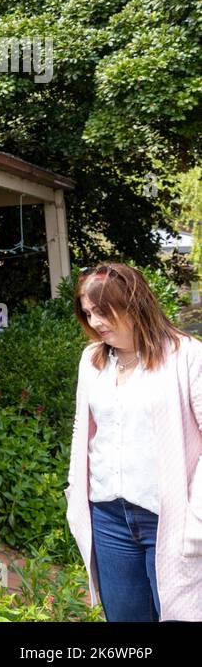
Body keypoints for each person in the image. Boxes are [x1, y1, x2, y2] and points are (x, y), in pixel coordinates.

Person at [66, 263, 202, 622]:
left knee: (183, 615)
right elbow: (84, 428)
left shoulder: (186, 355)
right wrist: (74, 492)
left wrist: (198, 518)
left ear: (134, 303)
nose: (95, 322)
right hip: (109, 517)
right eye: (88, 312)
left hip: (169, 518)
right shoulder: (91, 361)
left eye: (103, 310)